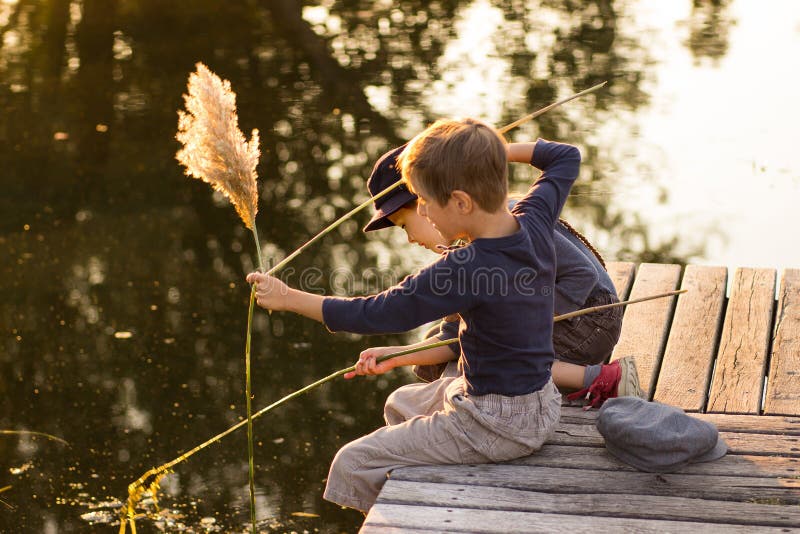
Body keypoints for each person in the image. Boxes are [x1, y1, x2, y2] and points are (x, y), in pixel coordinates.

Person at [247, 118, 591, 512]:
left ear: (461, 202)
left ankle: (409, 517)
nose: (422, 210)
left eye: (425, 200)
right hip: (539, 404)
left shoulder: (464, 269)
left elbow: (377, 312)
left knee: (352, 463)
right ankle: (430, 485)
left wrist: (289, 297)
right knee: (400, 403)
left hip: (495, 424)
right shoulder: (535, 218)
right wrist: (491, 153)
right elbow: (565, 156)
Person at [352, 142, 639, 409]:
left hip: (591, 319)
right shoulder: (468, 250)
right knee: (455, 339)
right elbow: (451, 338)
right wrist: (393, 356)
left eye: (404, 225)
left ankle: (601, 379)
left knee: (485, 352)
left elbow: (582, 275)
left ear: (431, 198)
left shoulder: (511, 224)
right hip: (573, 322)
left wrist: (521, 319)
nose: (410, 239)